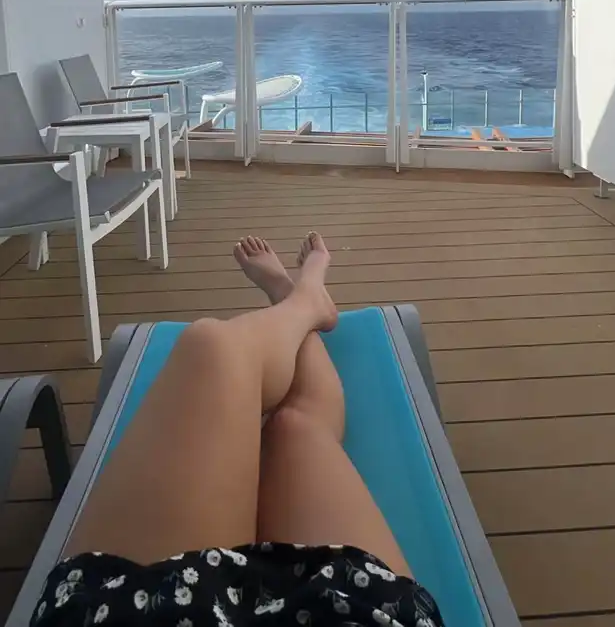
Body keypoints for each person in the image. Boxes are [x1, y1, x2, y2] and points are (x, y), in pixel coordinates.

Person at [32, 232, 444, 627]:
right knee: (292, 423)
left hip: (140, 609)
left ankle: (298, 300)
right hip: (341, 610)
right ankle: (300, 298)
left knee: (215, 350)